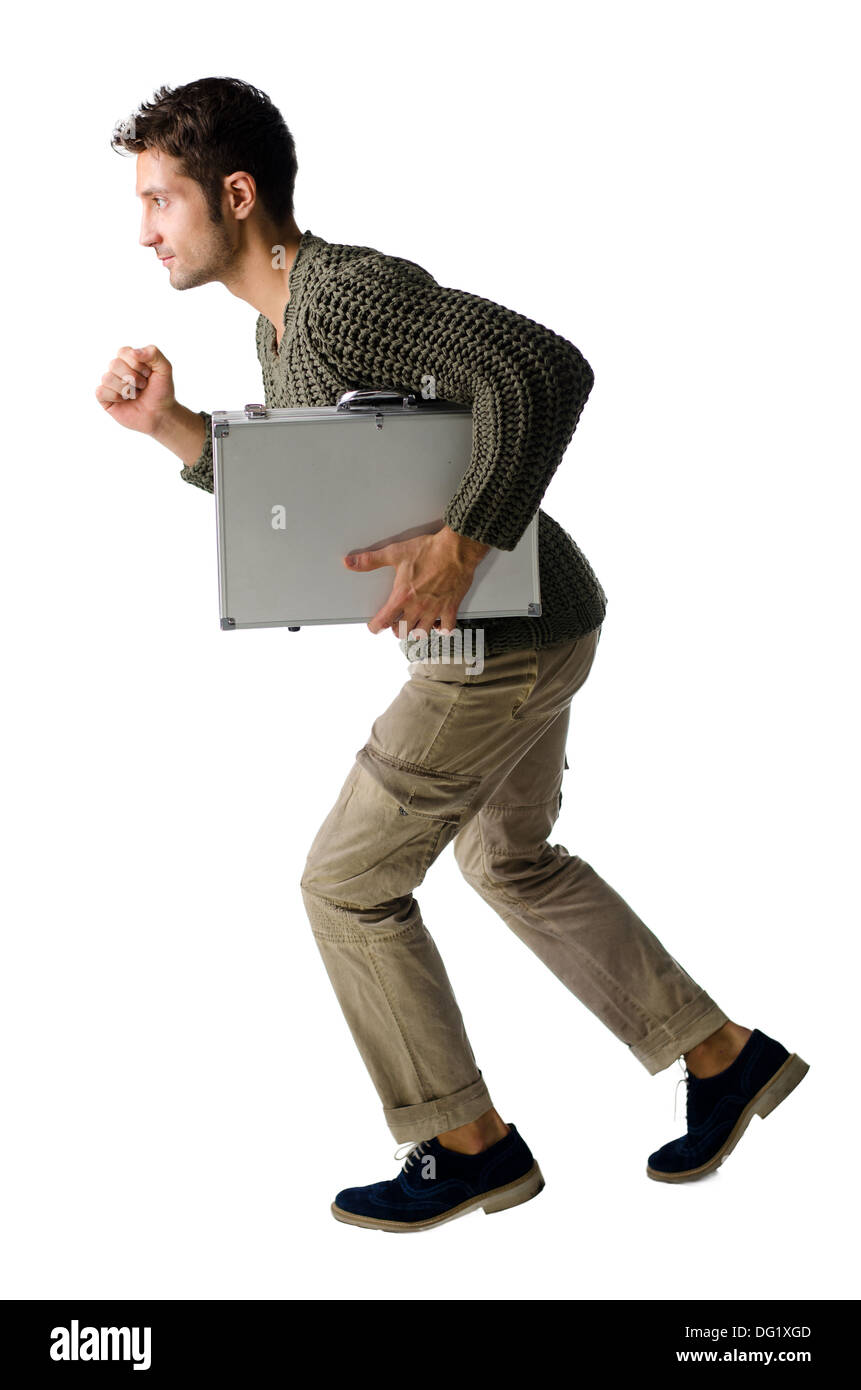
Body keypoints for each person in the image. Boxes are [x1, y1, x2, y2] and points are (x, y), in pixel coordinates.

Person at [97, 76, 809, 1232]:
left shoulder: (346, 294)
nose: (144, 230)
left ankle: (463, 1138)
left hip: (495, 648)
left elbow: (545, 368)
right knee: (509, 861)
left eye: (160, 199)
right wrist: (173, 430)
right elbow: (312, 502)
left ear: (237, 194)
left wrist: (466, 536)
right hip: (541, 624)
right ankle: (723, 1056)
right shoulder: (279, 328)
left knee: (345, 880)